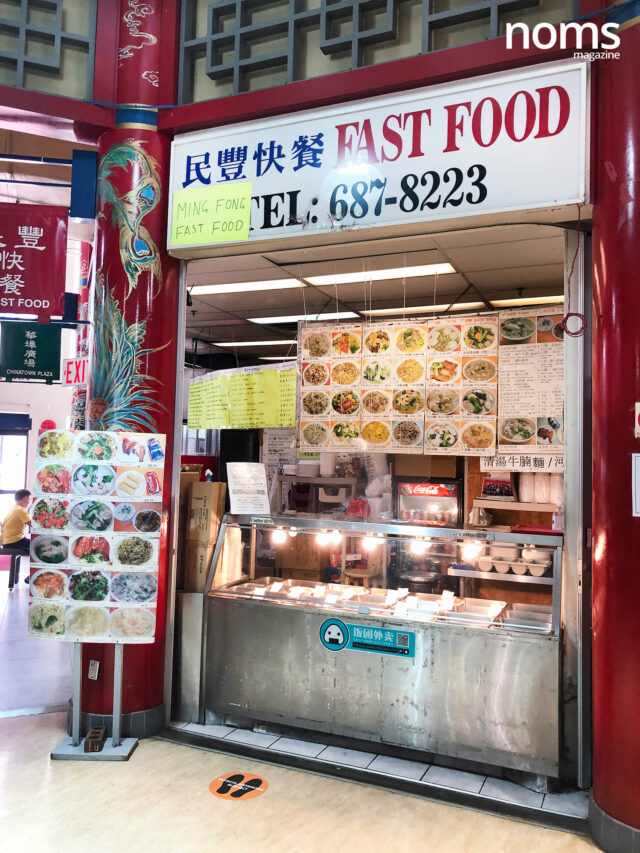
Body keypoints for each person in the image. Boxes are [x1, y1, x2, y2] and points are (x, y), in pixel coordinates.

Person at [1, 489, 32, 583]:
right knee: (37, 548)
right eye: (29, 499)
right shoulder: (20, 510)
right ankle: (31, 576)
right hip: (14, 541)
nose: (29, 501)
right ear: (25, 498)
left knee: (32, 545)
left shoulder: (14, 508)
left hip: (8, 541)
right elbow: (33, 524)